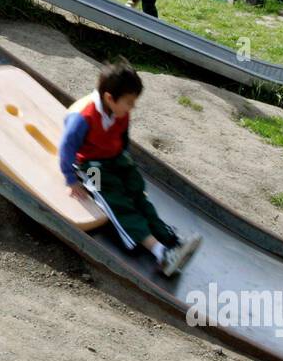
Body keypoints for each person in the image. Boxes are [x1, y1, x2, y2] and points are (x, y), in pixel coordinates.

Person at [59, 62, 202, 276]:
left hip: (116, 160)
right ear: (109, 98)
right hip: (92, 167)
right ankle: (160, 252)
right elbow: (66, 148)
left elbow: (122, 138)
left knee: (138, 194)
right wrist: (71, 180)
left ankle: (172, 239)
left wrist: (124, 161)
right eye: (129, 102)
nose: (131, 107)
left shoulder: (120, 111)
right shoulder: (83, 118)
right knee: (117, 202)